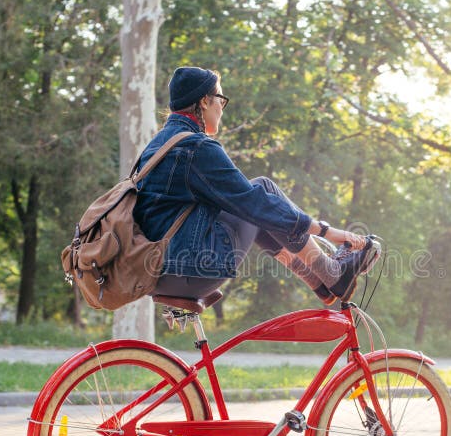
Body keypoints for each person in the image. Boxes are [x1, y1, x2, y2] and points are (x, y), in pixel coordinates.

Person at [133, 66, 378, 305]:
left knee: (254, 211)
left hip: (156, 272)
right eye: (220, 99)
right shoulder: (196, 147)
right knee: (264, 190)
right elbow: (254, 201)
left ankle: (317, 280)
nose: (222, 108)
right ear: (205, 101)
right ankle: (332, 274)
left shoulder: (157, 147)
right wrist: (329, 232)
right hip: (191, 269)